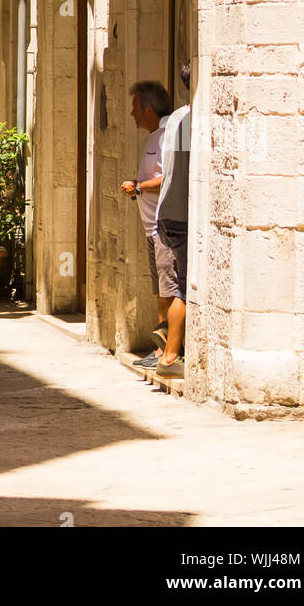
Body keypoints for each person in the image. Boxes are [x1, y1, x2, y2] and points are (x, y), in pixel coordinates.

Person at [122, 79, 173, 370]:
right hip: (150, 225)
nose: (132, 114)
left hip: (162, 225)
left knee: (167, 288)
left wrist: (139, 187)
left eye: (135, 108)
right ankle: (160, 347)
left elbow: (169, 178)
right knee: (159, 288)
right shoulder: (156, 134)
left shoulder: (167, 135)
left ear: (149, 109)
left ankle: (168, 350)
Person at [155, 63, 192, 379]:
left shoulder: (177, 117)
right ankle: (169, 358)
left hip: (167, 211)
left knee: (176, 281)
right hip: (182, 212)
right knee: (183, 287)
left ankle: (165, 339)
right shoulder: (195, 119)